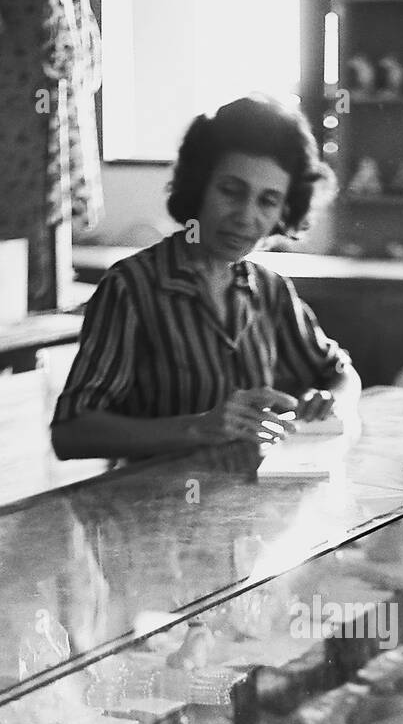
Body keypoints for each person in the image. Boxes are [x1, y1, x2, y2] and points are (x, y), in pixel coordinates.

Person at [52, 95, 360, 468]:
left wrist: (331, 401)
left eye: (268, 201)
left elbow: (341, 373)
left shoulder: (271, 290)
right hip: (151, 510)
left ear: (285, 211)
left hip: (248, 510)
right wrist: (199, 428)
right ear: (199, 186)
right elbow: (69, 432)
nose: (246, 217)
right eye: (231, 191)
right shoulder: (131, 287)